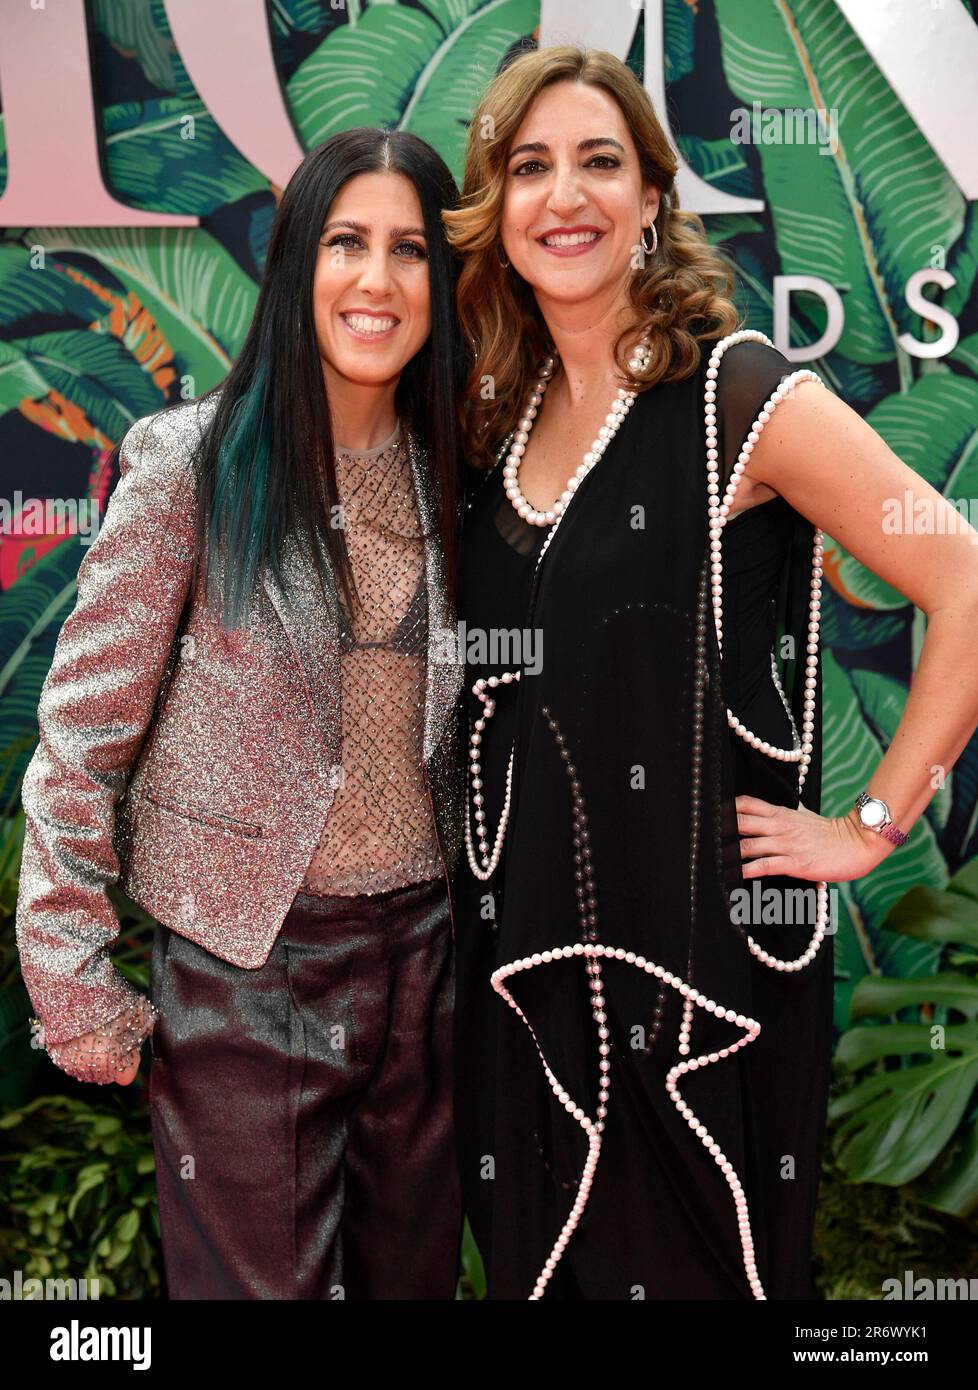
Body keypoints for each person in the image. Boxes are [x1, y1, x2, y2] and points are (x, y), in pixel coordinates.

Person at [440, 45, 978, 1300]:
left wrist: (871, 823)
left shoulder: (735, 394)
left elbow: (962, 583)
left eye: (599, 163)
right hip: (522, 986)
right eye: (531, 167)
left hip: (697, 990)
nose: (563, 195)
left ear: (649, 202)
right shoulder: (494, 417)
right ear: (496, 206)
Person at [15, 127, 467, 1300]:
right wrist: (71, 977)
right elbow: (80, 735)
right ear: (297, 260)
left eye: (411, 250)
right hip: (246, 963)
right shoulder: (192, 463)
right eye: (347, 242)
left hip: (427, 958)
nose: (377, 281)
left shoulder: (462, 472)